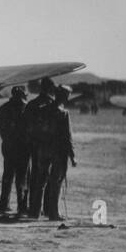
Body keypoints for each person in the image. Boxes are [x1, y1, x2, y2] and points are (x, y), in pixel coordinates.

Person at [22, 77, 56, 218]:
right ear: (49, 88)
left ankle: (33, 208)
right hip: (48, 146)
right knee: (47, 178)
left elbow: (25, 125)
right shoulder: (52, 104)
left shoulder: (31, 104)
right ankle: (46, 209)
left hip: (33, 145)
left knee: (34, 177)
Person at [42, 85, 77, 221]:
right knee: (56, 183)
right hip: (59, 152)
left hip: (44, 150)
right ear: (63, 96)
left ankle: (45, 210)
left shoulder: (44, 110)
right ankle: (54, 213)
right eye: (67, 95)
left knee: (44, 182)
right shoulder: (63, 113)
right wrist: (72, 157)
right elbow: (68, 137)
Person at [0, 85, 30, 215]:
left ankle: (4, 204)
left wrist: (7, 139)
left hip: (8, 146)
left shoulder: (4, 108)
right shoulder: (26, 109)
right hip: (22, 147)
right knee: (22, 178)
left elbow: (0, 129)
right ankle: (21, 206)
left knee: (8, 176)